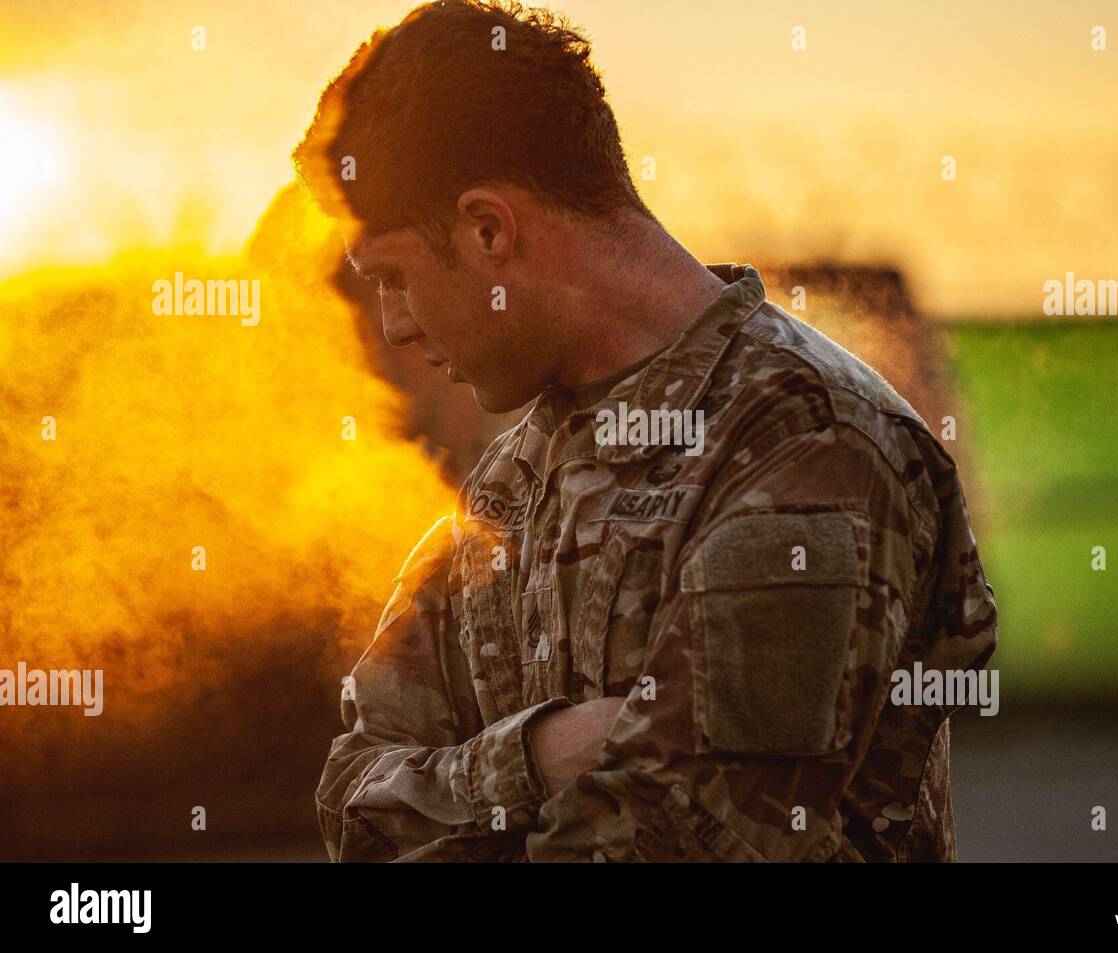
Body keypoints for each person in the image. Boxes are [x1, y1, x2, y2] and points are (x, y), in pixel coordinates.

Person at [294, 0, 997, 862]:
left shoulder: (807, 444)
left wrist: (464, 789)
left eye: (393, 277)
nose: (394, 326)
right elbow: (351, 800)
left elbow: (676, 840)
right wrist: (543, 754)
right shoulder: (516, 473)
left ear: (488, 229)